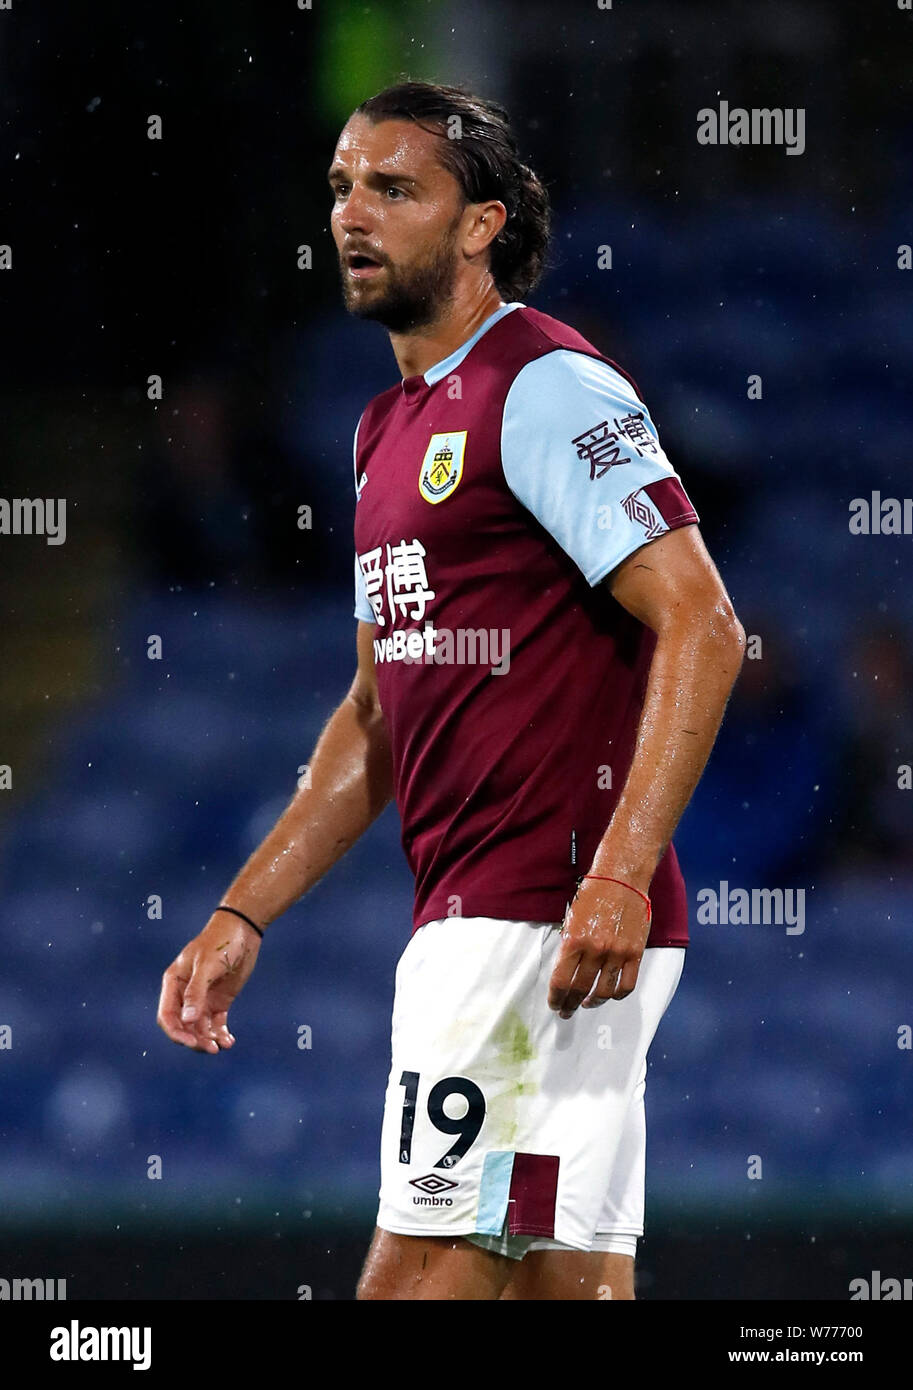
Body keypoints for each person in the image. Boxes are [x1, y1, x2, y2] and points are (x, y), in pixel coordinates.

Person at [157, 80, 745, 1301]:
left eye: (394, 187)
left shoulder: (544, 382)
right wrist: (243, 912)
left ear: (479, 225)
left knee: (421, 1273)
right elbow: (378, 707)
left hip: (540, 914)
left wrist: (620, 870)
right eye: (340, 188)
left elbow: (704, 623)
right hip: (503, 916)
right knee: (561, 1283)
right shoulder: (382, 429)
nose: (352, 214)